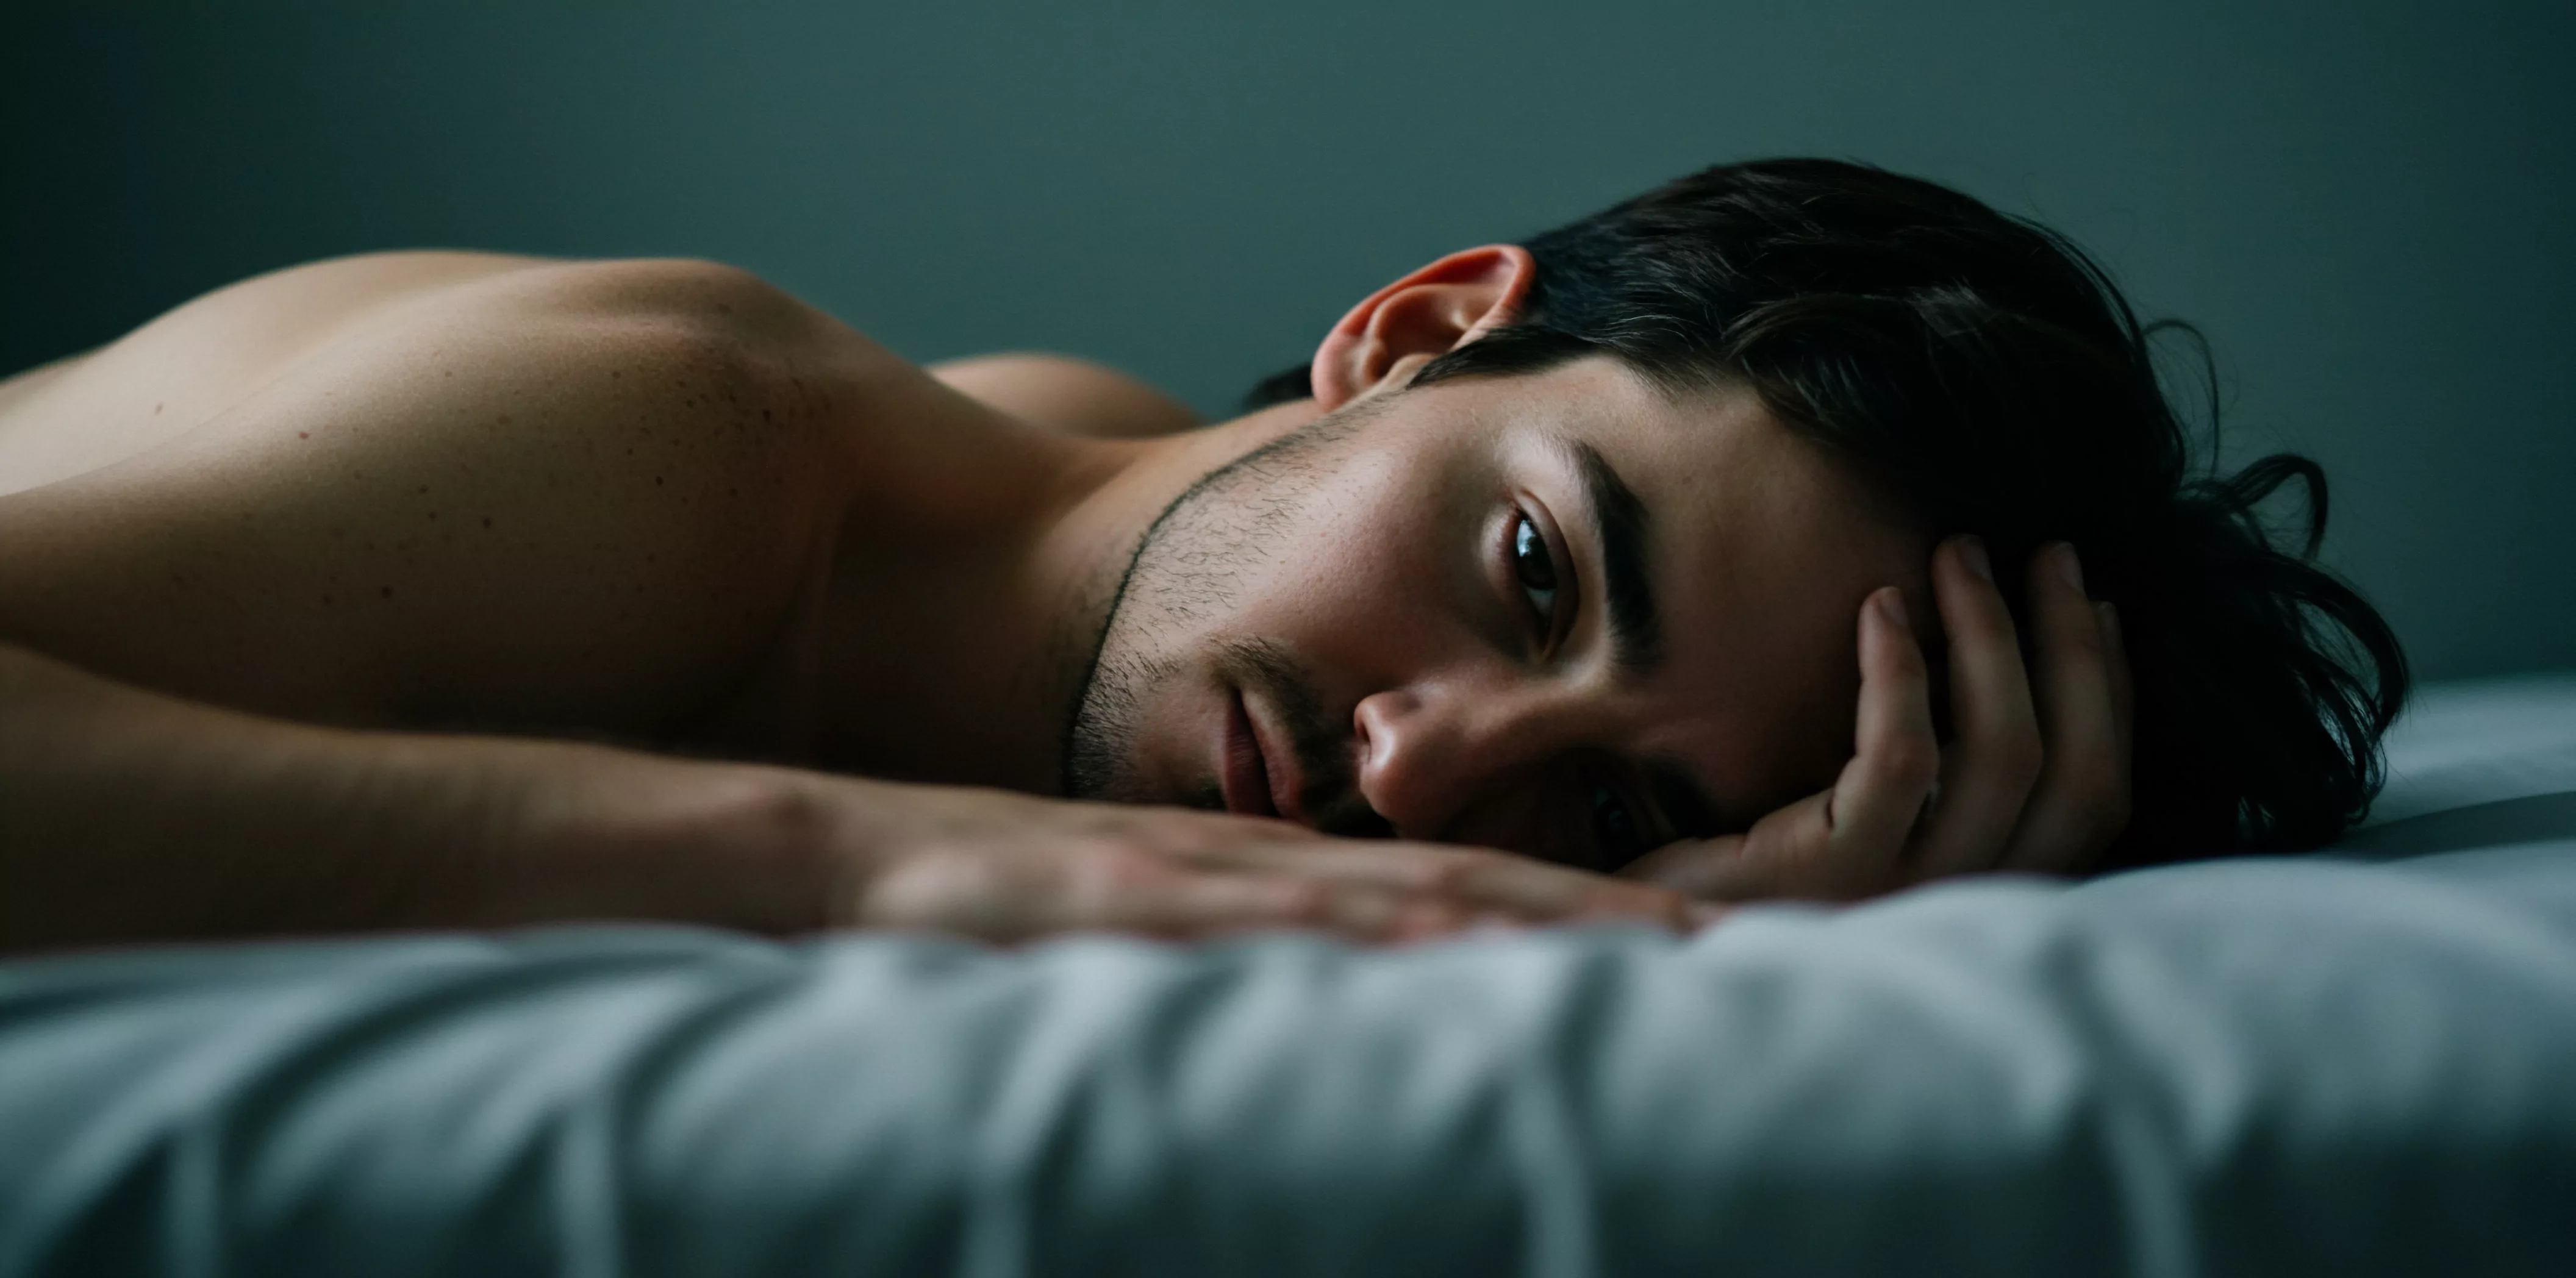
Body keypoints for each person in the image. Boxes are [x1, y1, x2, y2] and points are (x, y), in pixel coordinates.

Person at [0, 159, 2406, 951]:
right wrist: (842, 861)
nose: (1425, 775)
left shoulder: (1107, 498)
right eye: (1539, 575)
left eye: (1617, 809)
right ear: (1410, 336)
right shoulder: (661, 447)